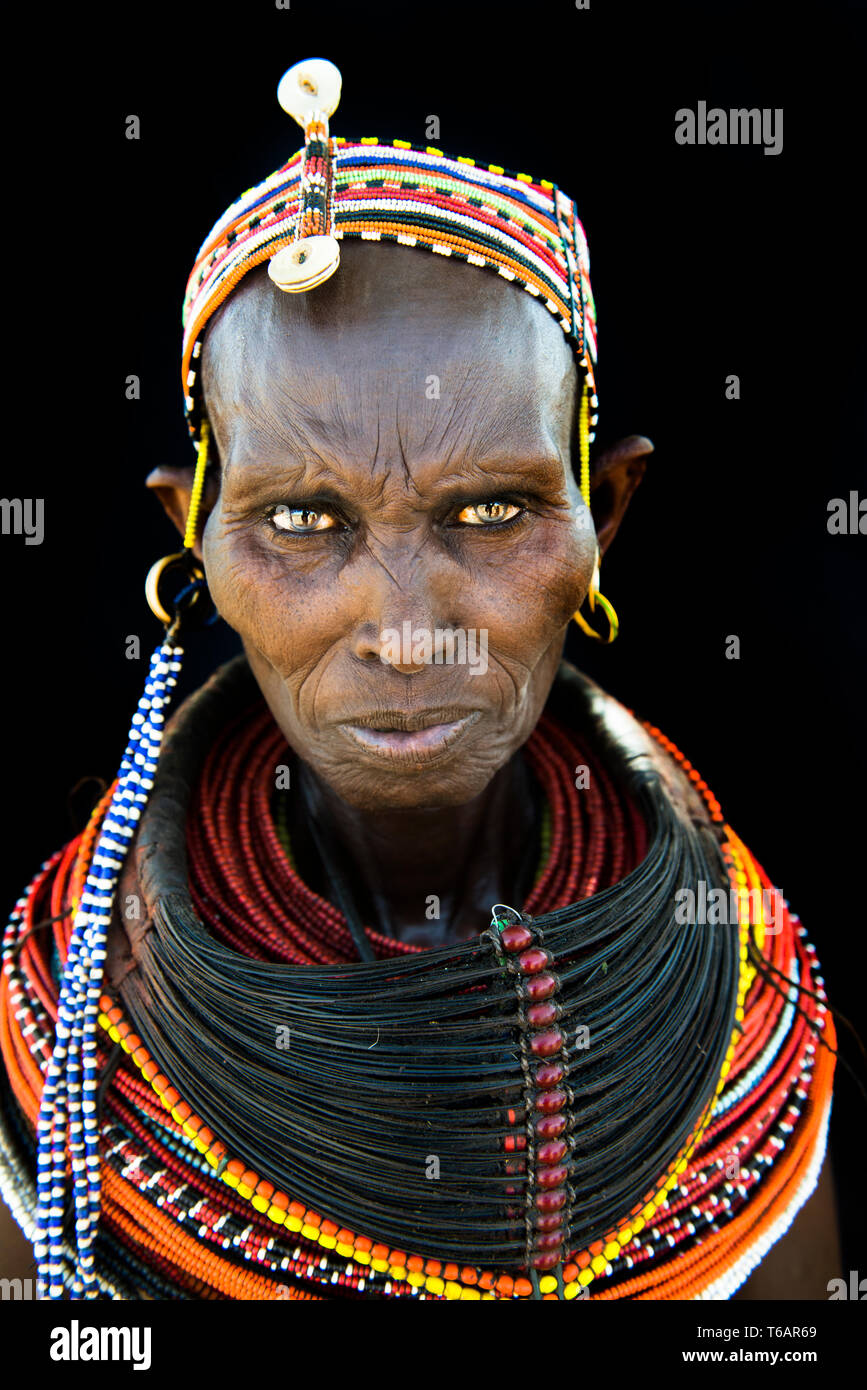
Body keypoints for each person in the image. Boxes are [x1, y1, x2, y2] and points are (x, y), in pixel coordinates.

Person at [0, 58, 840, 1301]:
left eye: (492, 510)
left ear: (603, 515)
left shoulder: (746, 1004)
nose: (404, 631)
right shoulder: (65, 1024)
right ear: (195, 539)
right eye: (300, 519)